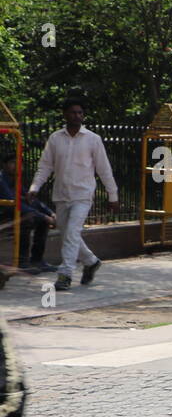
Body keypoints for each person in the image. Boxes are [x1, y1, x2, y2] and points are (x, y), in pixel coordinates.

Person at [28, 98, 119, 292]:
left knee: (71, 233)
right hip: (61, 194)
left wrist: (113, 196)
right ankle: (91, 261)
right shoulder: (55, 138)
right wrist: (35, 187)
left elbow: (104, 169)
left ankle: (65, 274)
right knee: (66, 233)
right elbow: (45, 166)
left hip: (83, 195)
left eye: (80, 113)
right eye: (73, 112)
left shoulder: (92, 139)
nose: (77, 116)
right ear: (65, 114)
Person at [0, 155, 56, 273]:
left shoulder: (16, 180)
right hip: (5, 215)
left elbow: (31, 200)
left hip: (13, 214)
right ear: (4, 165)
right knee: (27, 220)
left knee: (41, 222)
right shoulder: (2, 180)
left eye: (19, 163)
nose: (16, 166)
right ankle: (22, 262)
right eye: (12, 163)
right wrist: (43, 216)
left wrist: (49, 213)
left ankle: (37, 260)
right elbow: (14, 204)